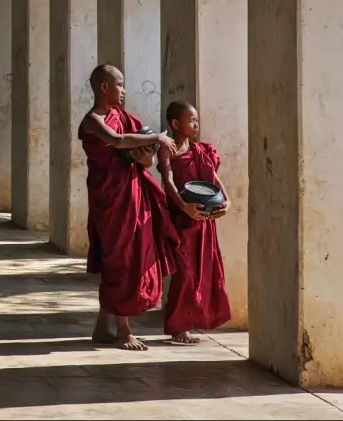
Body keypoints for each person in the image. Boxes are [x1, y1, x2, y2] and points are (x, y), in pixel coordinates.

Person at [78, 64, 181, 351]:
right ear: (104, 87)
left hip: (131, 193)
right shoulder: (92, 120)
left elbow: (144, 160)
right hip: (109, 199)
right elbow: (116, 140)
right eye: (120, 85)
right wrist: (157, 138)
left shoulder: (124, 117)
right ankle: (123, 331)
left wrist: (146, 153)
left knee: (125, 256)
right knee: (118, 258)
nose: (123, 91)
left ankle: (102, 327)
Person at [157, 100, 232, 344]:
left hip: (203, 219)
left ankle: (192, 321)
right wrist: (184, 207)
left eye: (197, 119)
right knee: (186, 272)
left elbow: (214, 180)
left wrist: (227, 201)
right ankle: (178, 325)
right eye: (191, 120)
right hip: (181, 220)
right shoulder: (167, 150)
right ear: (175, 123)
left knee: (204, 271)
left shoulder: (200, 150)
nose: (196, 124)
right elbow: (168, 182)